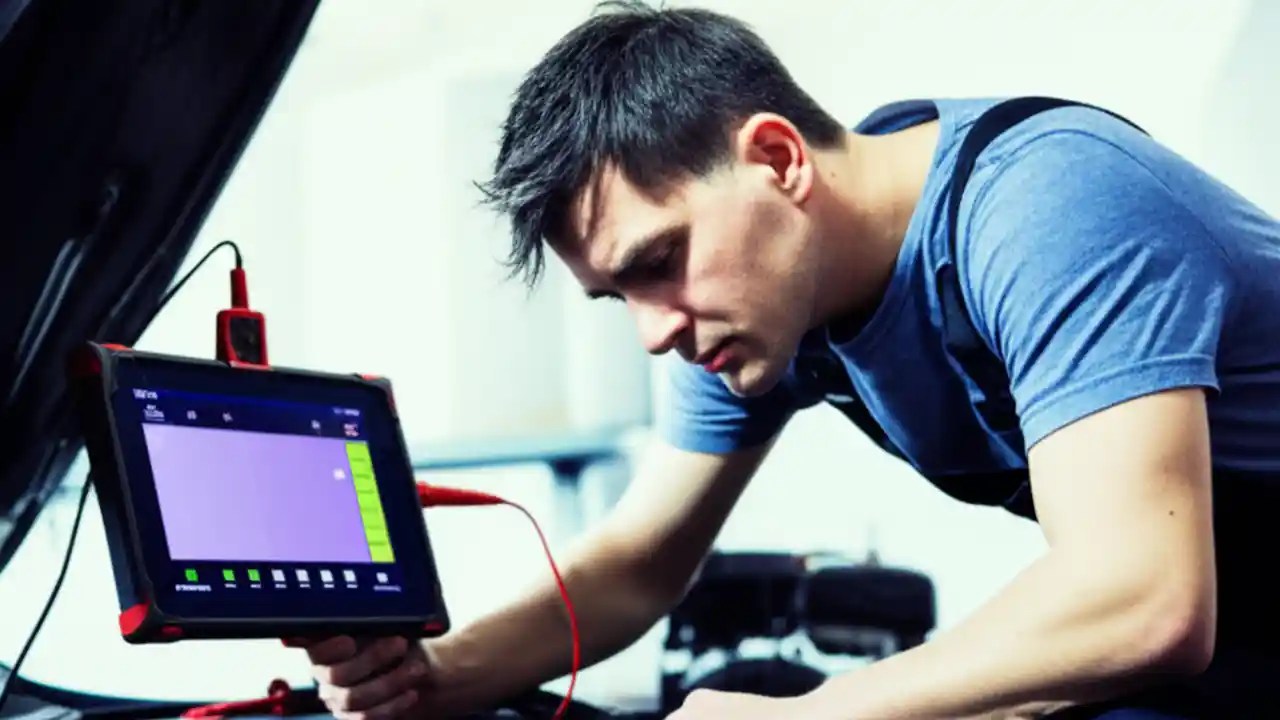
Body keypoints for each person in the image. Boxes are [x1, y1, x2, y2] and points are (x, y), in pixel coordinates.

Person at [298, 2, 1280, 718]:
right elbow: (637, 567)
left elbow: (1141, 595)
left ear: (776, 159)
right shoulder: (767, 310)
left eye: (657, 262)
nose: (652, 332)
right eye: (619, 296)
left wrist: (814, 715)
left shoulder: (1044, 205)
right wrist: (437, 677)